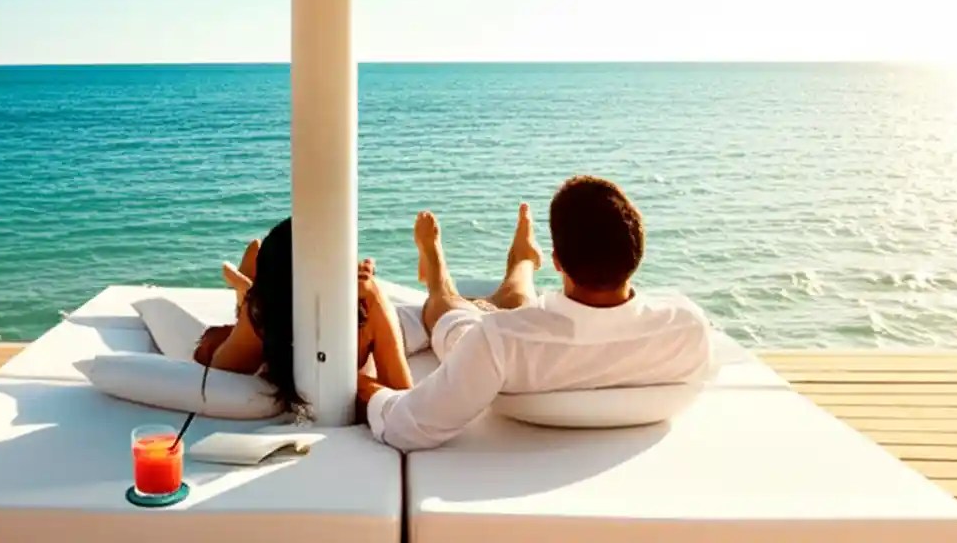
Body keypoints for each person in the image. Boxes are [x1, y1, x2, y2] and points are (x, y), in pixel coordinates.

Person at [357, 175, 713, 451]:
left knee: (446, 306)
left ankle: (437, 271)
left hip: (489, 346)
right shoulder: (688, 327)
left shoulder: (498, 341)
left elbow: (409, 427)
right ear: (637, 253)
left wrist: (357, 383)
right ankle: (523, 258)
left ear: (558, 262)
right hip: (532, 340)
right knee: (520, 306)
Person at [194, 217, 413, 411]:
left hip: (277, 300)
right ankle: (243, 290)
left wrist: (374, 296)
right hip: (270, 307)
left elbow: (406, 401)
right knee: (209, 344)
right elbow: (217, 371)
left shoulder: (366, 306)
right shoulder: (263, 315)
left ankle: (244, 287)